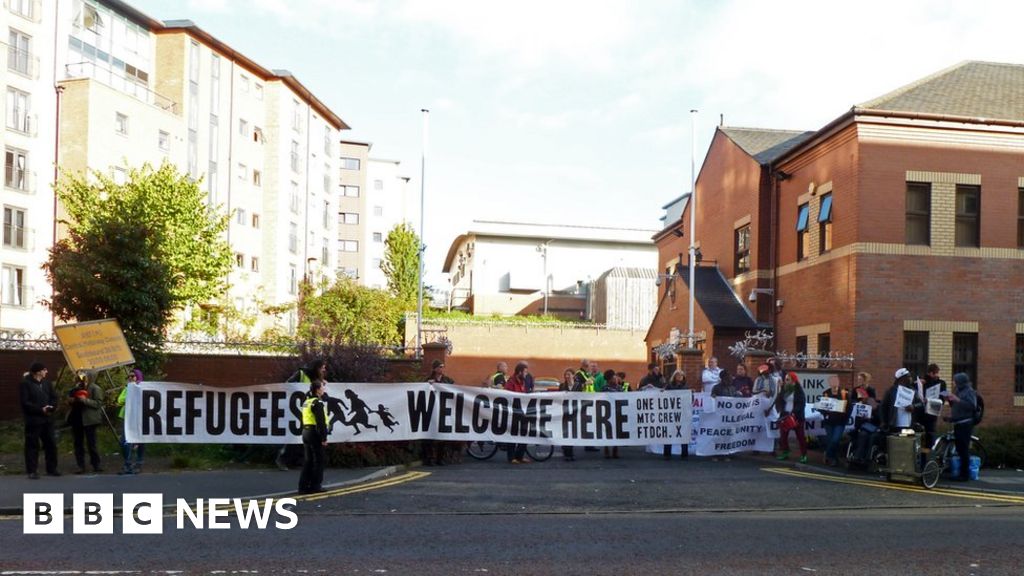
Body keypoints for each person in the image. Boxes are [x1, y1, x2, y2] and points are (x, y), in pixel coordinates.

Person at [278, 359, 329, 470]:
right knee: (295, 435)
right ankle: (282, 458)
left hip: (309, 411)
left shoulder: (317, 379)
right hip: (297, 408)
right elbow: (287, 385)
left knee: (304, 438)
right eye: (322, 367)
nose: (324, 370)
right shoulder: (302, 374)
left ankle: (296, 461)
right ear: (316, 368)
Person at [19, 362, 59, 479]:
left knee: (51, 444)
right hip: (34, 420)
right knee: (32, 445)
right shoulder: (25, 384)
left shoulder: (47, 383)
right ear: (38, 372)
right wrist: (40, 409)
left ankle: (52, 469)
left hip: (48, 419)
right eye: (44, 370)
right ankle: (32, 471)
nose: (46, 372)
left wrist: (52, 407)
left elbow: (54, 397)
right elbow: (25, 403)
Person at [67, 371, 105, 474]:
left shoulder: (95, 388)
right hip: (77, 419)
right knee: (78, 444)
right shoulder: (76, 388)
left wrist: (85, 400)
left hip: (89, 420)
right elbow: (69, 399)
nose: (82, 379)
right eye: (80, 377)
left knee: (91, 443)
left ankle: (96, 464)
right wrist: (71, 400)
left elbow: (98, 403)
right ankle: (81, 466)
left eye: (84, 376)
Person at [945, 372, 977, 482]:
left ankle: (965, 475)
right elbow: (955, 405)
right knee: (959, 449)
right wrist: (950, 399)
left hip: (965, 424)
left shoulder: (970, 391)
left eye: (955, 380)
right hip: (958, 423)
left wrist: (957, 399)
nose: (953, 382)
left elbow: (972, 406)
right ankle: (960, 473)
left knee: (963, 450)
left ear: (960, 381)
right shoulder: (958, 390)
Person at [298, 379, 329, 494]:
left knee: (308, 460)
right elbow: (320, 422)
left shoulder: (307, 402)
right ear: (317, 390)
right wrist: (324, 438)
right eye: (322, 387)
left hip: (306, 432)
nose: (323, 389)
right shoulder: (317, 403)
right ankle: (315, 486)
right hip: (314, 433)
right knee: (319, 460)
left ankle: (303, 487)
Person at [116, 368, 146, 474]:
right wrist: (130, 395)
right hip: (126, 418)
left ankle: (139, 463)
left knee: (141, 441)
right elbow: (120, 400)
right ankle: (128, 463)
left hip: (139, 417)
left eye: (132, 376)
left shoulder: (143, 388)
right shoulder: (127, 388)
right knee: (124, 441)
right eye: (128, 376)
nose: (130, 378)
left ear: (138, 377)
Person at [775, 371, 808, 463]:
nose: (786, 381)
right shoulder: (785, 389)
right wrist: (779, 388)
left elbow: (801, 403)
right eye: (785, 379)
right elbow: (780, 400)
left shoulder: (798, 390)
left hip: (796, 416)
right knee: (783, 436)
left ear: (793, 380)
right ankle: (785, 452)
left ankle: (804, 455)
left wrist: (794, 413)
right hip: (785, 415)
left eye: (788, 379)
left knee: (800, 436)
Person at [819, 377, 851, 466]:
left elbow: (849, 408)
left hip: (840, 422)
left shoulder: (844, 393)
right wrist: (825, 413)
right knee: (830, 441)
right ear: (829, 383)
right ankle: (834, 459)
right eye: (832, 381)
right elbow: (822, 407)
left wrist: (845, 418)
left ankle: (827, 455)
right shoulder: (826, 393)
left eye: (835, 381)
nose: (834, 383)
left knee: (835, 440)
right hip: (829, 422)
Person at [914, 363, 947, 450]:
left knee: (930, 436)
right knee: (920, 436)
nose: (937, 375)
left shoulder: (941, 383)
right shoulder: (921, 382)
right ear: (930, 373)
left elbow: (943, 397)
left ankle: (928, 456)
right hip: (920, 413)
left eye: (937, 373)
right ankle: (921, 455)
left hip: (932, 413)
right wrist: (917, 383)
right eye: (935, 373)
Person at [880, 368, 921, 433]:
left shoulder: (913, 391)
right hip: (894, 425)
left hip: (909, 425)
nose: (911, 378)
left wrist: (913, 406)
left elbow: (920, 404)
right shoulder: (891, 391)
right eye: (908, 376)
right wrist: (884, 422)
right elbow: (883, 407)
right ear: (902, 378)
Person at [505, 361, 530, 464]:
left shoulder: (523, 382)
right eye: (525, 372)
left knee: (524, 434)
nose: (526, 374)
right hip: (513, 413)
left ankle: (520, 456)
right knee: (513, 434)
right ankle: (511, 457)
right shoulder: (511, 382)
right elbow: (507, 396)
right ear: (519, 372)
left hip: (522, 413)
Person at [663, 369, 689, 460]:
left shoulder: (686, 387)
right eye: (677, 375)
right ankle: (667, 453)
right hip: (671, 412)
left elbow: (690, 399)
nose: (679, 377)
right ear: (674, 376)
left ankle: (684, 453)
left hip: (683, 413)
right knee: (669, 432)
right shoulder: (669, 386)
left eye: (681, 375)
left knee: (683, 432)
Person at [558, 368, 579, 461]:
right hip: (565, 412)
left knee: (572, 432)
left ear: (573, 375)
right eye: (565, 375)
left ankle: (570, 451)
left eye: (569, 374)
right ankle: (567, 453)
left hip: (575, 412)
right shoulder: (562, 386)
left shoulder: (579, 386)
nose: (567, 376)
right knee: (566, 432)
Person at [602, 370, 622, 459]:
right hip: (607, 413)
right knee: (607, 431)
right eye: (614, 377)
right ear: (610, 379)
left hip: (617, 412)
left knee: (616, 431)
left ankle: (615, 449)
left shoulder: (619, 388)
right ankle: (606, 448)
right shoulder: (604, 388)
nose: (616, 378)